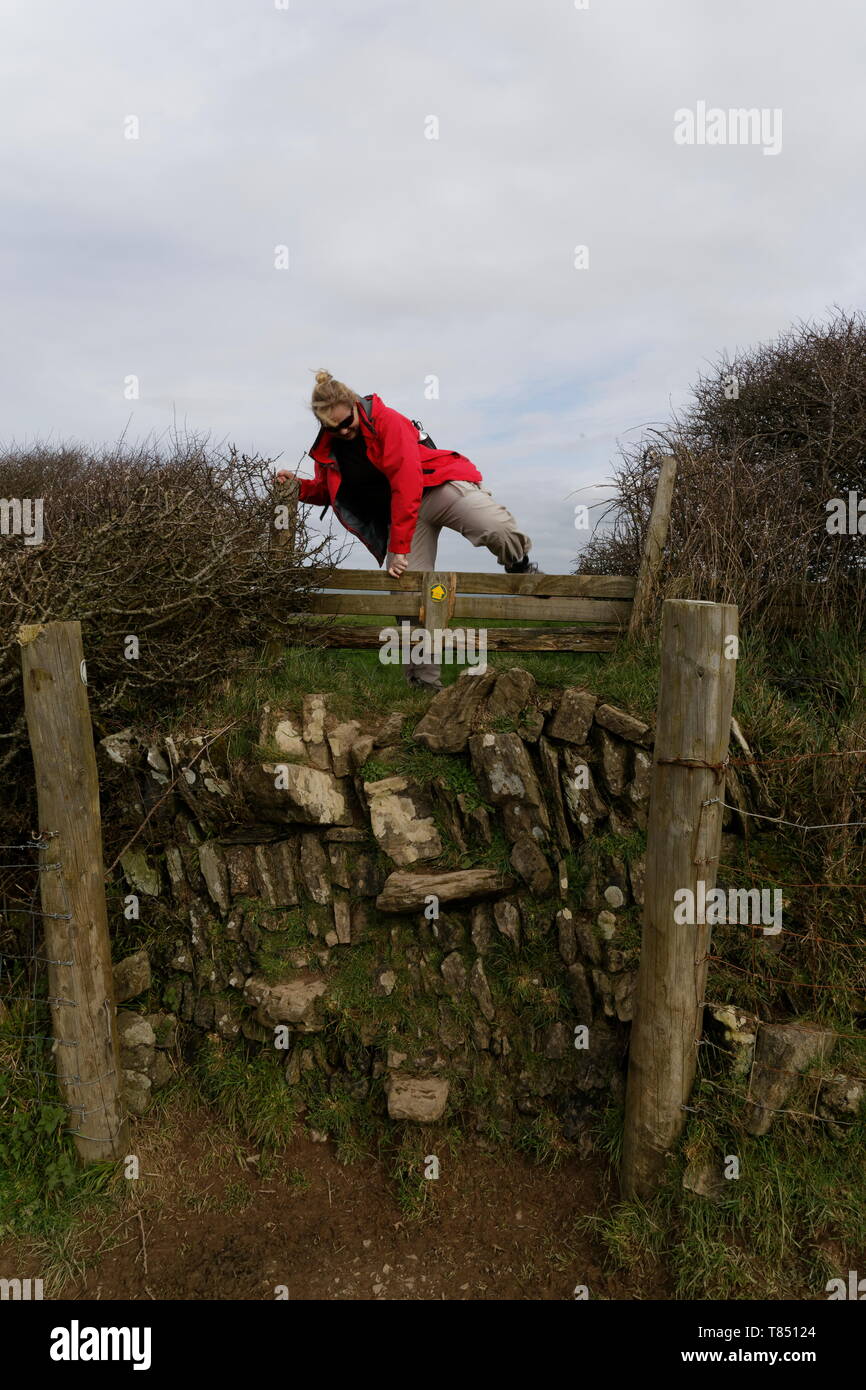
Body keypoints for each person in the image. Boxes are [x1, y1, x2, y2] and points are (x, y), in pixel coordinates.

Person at [276, 370, 538, 691]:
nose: (344, 431)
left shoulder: (388, 421)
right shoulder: (329, 449)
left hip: (436, 486)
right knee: (407, 596)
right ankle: (423, 683)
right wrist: (297, 487)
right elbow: (328, 490)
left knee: (496, 528)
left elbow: (407, 480)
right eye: (334, 427)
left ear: (356, 404)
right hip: (404, 518)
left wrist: (397, 547)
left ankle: (518, 562)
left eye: (348, 422)